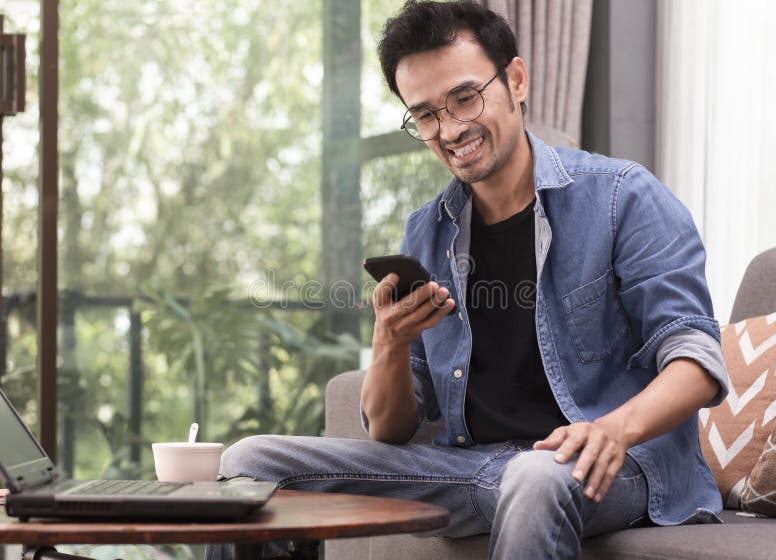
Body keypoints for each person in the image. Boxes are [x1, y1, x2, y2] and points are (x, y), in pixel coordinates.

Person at [214, 2, 729, 558]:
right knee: (248, 463)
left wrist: (614, 429)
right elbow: (389, 430)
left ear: (516, 79)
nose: (451, 129)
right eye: (427, 114)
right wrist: (389, 343)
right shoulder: (427, 232)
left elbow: (696, 360)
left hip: (611, 464)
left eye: (465, 98)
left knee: (534, 477)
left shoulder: (622, 197)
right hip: (473, 467)